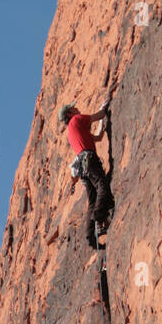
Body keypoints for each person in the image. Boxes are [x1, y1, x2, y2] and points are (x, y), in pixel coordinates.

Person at [60, 99, 114, 249]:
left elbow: (98, 137)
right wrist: (103, 108)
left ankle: (90, 236)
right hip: (89, 159)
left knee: (92, 199)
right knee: (102, 185)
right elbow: (98, 115)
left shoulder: (72, 132)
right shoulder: (77, 119)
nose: (77, 109)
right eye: (74, 108)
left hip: (82, 167)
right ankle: (99, 217)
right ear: (70, 113)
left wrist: (102, 125)